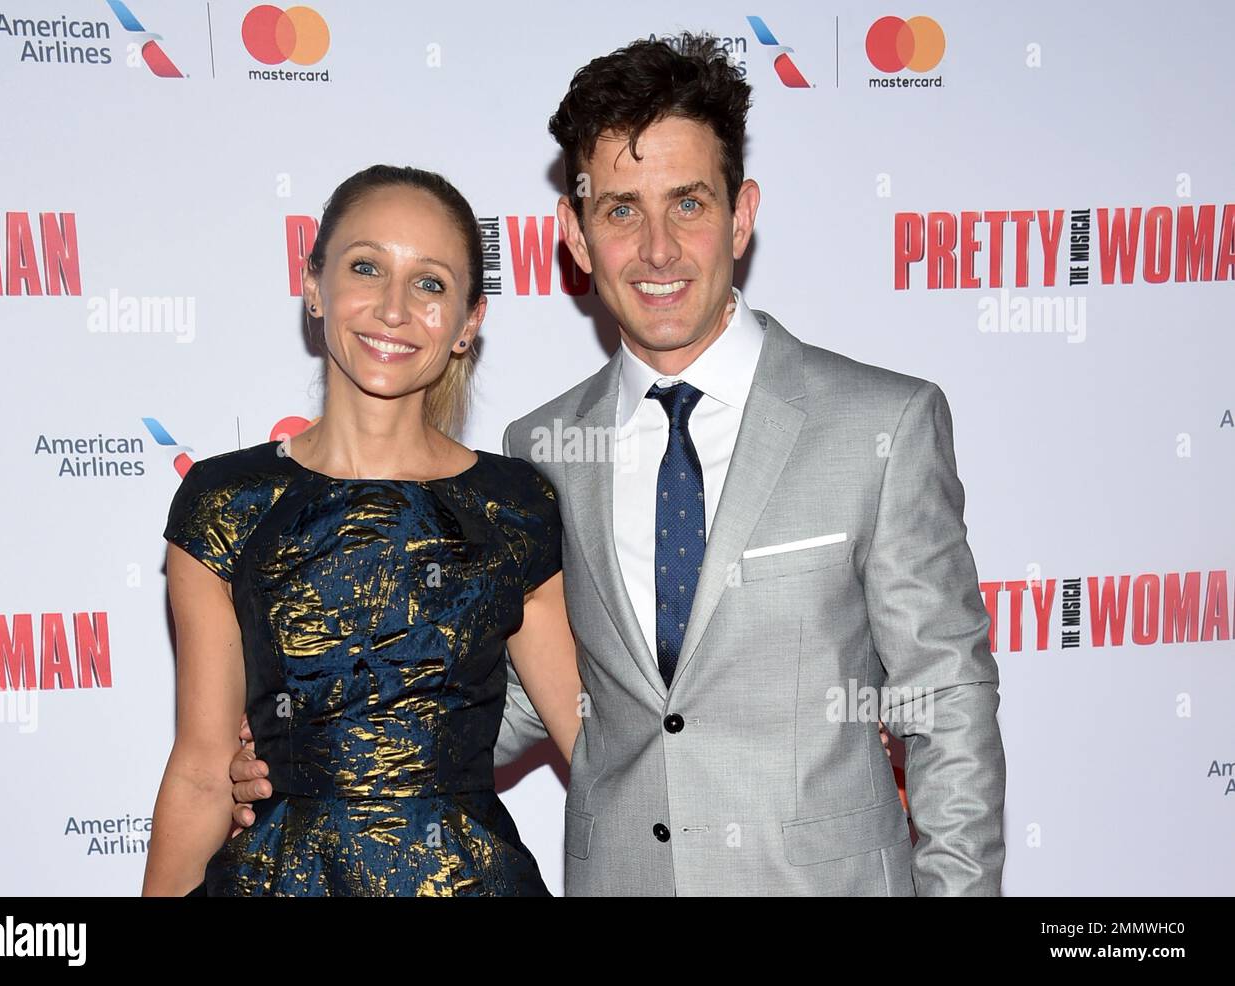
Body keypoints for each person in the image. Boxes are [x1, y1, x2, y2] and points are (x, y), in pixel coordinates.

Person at [230, 34, 1006, 896]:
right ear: (575, 233)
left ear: (742, 215)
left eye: (690, 204)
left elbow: (946, 701)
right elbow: (533, 688)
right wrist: (326, 754)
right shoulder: (540, 453)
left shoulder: (880, 422)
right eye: (622, 210)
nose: (659, 249)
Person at [142, 164, 582, 896]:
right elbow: (199, 769)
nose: (393, 307)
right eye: (366, 266)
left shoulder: (516, 506)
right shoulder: (227, 502)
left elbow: (595, 749)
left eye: (431, 283)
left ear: (469, 324)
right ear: (314, 287)